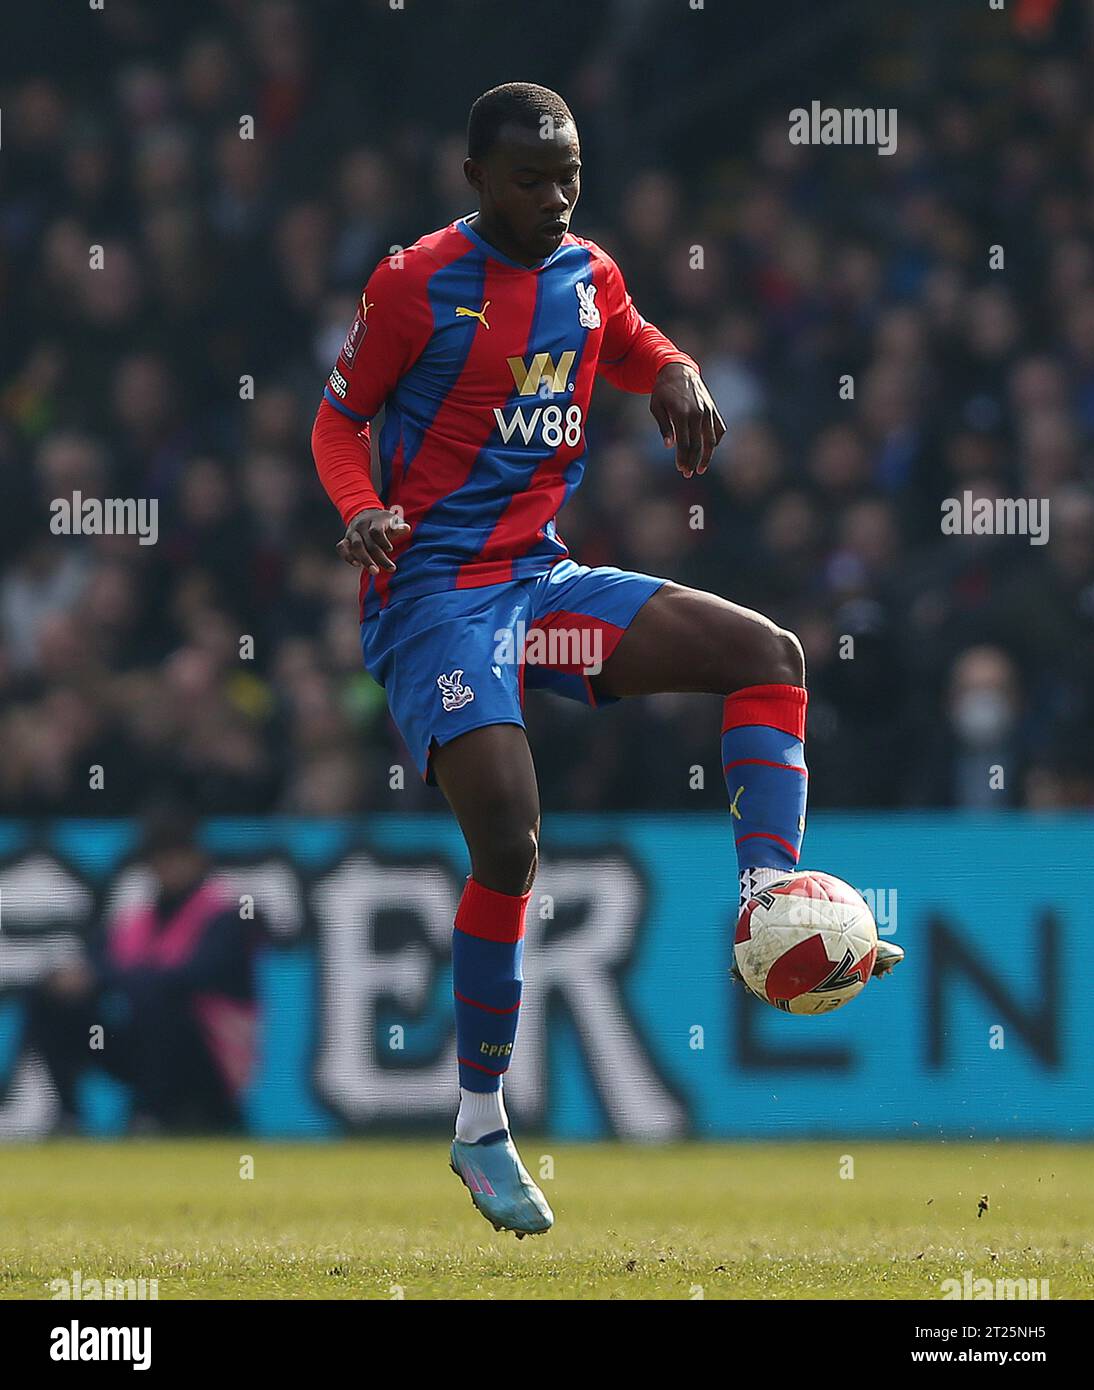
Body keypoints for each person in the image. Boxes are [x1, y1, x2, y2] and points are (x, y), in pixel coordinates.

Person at [311, 83, 903, 1236]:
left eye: (569, 173)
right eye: (530, 178)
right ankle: (480, 1119)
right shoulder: (412, 284)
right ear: (476, 177)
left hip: (539, 589)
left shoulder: (589, 274)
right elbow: (338, 419)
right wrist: (362, 507)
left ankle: (764, 892)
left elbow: (629, 343)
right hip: (435, 600)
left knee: (764, 654)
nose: (555, 195)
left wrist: (676, 371)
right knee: (511, 841)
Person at [24, 804, 259, 1131]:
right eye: (158, 858)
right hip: (146, 1050)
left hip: (210, 1056)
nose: (167, 867)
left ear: (197, 857)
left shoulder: (225, 912)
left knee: (155, 995)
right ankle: (69, 1115)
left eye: (176, 855)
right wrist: (74, 979)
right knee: (54, 995)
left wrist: (107, 976)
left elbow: (194, 975)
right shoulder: (138, 915)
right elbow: (97, 965)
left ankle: (152, 1114)